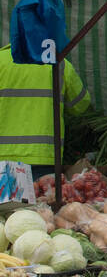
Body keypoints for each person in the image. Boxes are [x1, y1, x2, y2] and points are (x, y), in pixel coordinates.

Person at [0, 41, 93, 180]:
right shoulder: (59, 63)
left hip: (3, 159)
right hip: (44, 158)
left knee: (7, 202)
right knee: (43, 200)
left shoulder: (1, 60)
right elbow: (81, 105)